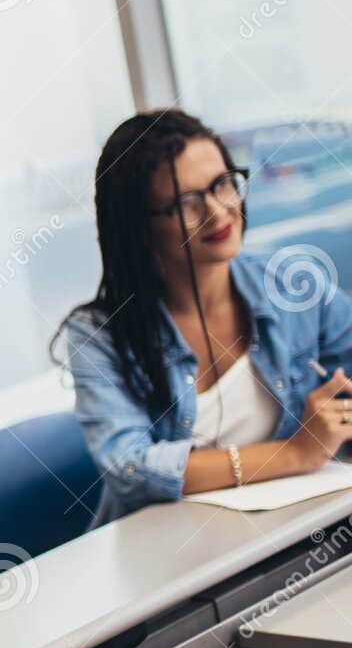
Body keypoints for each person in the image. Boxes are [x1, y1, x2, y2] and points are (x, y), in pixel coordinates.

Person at [59, 109, 352, 527]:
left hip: (291, 527)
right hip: (169, 552)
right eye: (187, 203)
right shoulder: (100, 335)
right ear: (140, 226)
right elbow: (132, 469)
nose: (219, 213)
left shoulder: (291, 284)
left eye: (223, 185)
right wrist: (293, 452)